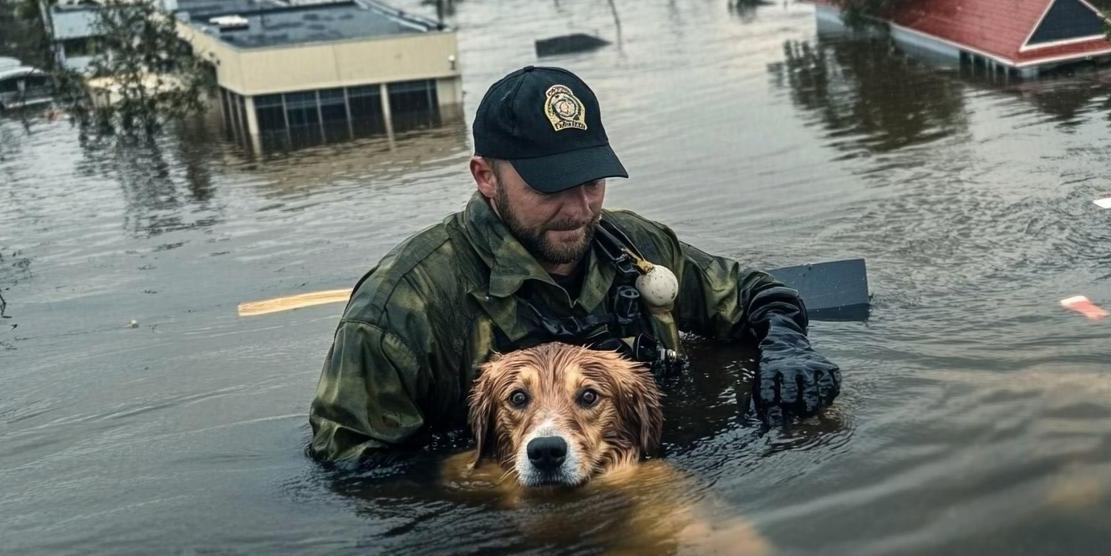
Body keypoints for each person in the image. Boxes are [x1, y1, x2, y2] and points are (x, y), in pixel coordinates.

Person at [308, 66, 840, 464]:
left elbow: (756, 294)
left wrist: (788, 349)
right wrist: (501, 479)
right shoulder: (403, 305)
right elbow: (352, 465)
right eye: (550, 187)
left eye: (590, 181)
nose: (580, 209)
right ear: (485, 177)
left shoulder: (633, 245)